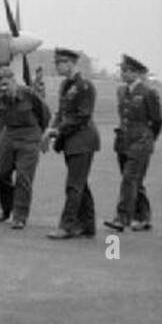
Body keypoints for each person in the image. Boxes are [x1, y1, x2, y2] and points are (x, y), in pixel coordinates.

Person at [45, 47, 100, 239]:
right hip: (71, 141)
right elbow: (61, 112)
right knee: (80, 184)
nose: (57, 66)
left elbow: (82, 116)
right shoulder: (66, 85)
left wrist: (57, 130)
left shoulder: (84, 86)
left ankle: (67, 226)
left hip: (83, 141)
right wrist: (50, 129)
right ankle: (88, 226)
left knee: (73, 185)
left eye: (60, 63)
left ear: (70, 63)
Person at [106, 54, 160, 233]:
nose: (122, 73)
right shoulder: (121, 91)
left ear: (137, 73)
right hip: (123, 141)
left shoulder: (148, 93)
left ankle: (122, 218)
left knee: (130, 178)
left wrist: (149, 137)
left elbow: (157, 120)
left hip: (141, 141)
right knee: (134, 180)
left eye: (126, 70)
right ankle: (143, 217)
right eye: (122, 70)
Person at [0, 68, 50, 229]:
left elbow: (44, 114)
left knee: (23, 177)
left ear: (13, 81)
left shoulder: (28, 94)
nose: (3, 87)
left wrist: (43, 136)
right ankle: (7, 209)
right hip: (9, 134)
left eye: (6, 83)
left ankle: (20, 216)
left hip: (29, 135)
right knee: (1, 173)